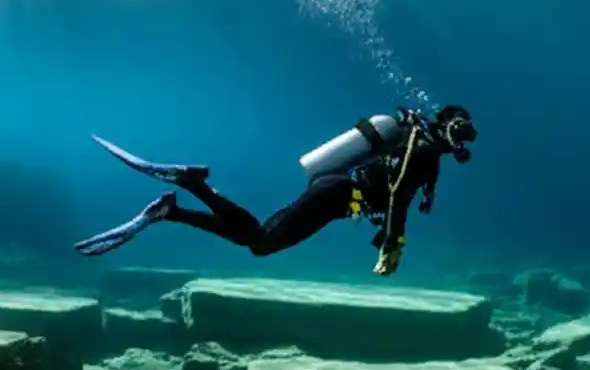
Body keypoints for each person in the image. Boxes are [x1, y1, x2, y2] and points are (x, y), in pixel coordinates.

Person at [73, 105, 477, 276]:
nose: (463, 139)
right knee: (263, 242)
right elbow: (400, 193)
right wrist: (393, 244)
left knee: (261, 239)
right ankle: (191, 190)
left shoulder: (416, 142)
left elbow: (400, 188)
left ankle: (173, 209)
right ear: (445, 127)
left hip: (334, 192)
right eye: (461, 129)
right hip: (338, 196)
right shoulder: (421, 148)